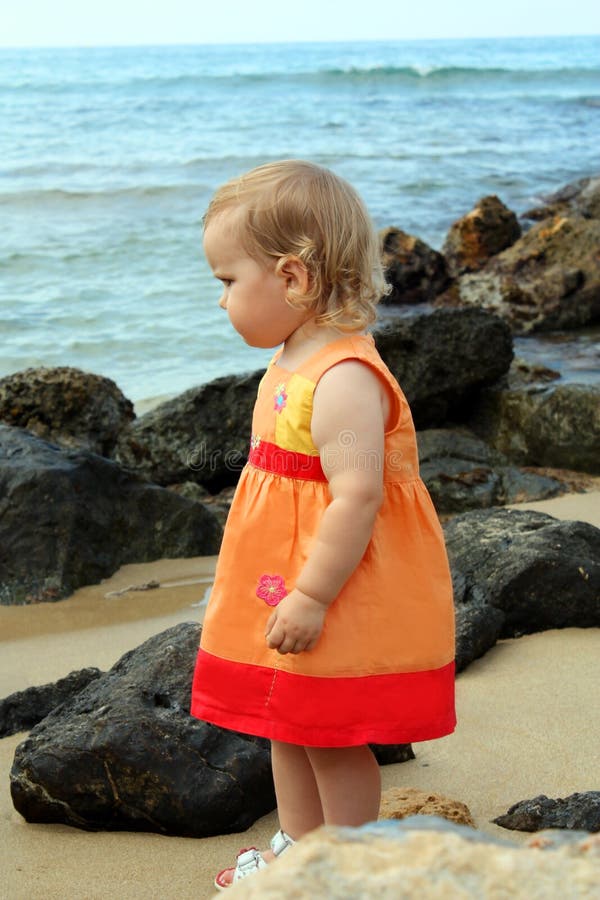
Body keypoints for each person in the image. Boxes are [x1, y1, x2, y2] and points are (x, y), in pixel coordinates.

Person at [190, 160, 456, 890]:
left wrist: (309, 597)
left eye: (227, 281)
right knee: (287, 721)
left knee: (330, 734)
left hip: (330, 589)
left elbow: (358, 497)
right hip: (284, 578)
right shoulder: (293, 355)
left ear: (294, 278)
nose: (220, 301)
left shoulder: (341, 377)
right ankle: (301, 844)